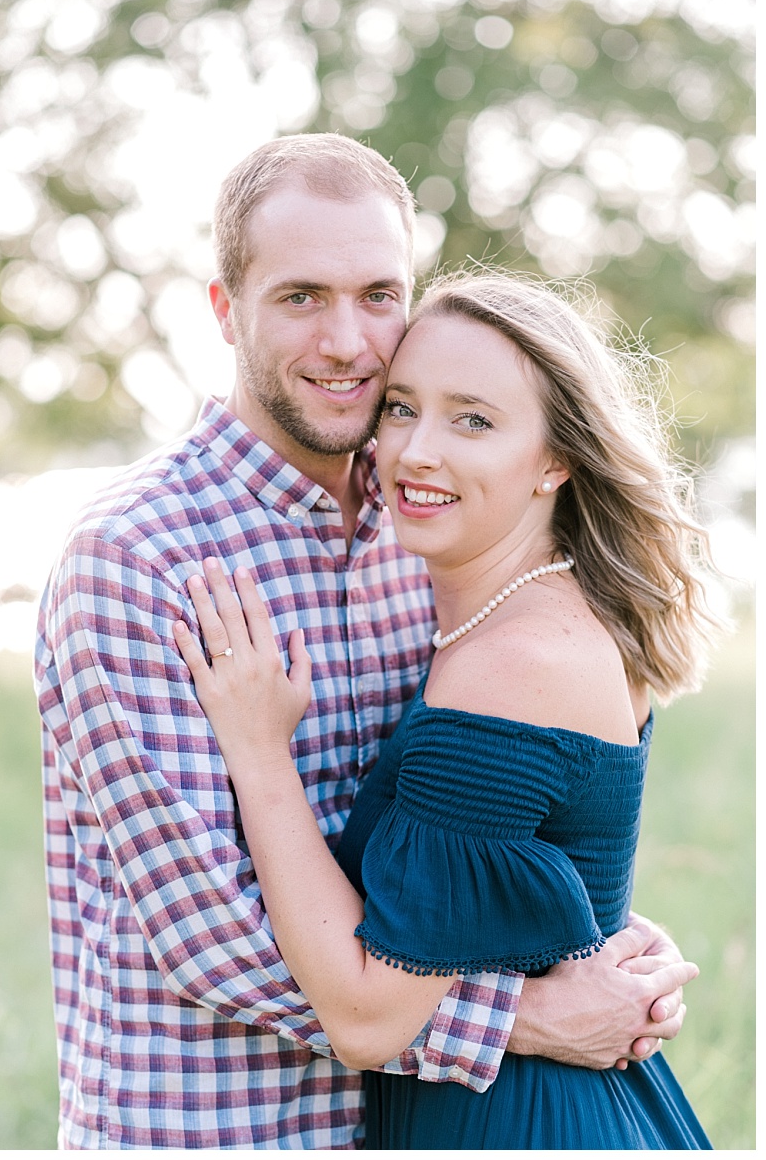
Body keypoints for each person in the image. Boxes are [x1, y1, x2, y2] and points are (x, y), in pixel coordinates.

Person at [33, 133, 696, 1148]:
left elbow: (488, 836)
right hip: (221, 1127)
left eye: (378, 295)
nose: (347, 341)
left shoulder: (426, 532)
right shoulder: (141, 560)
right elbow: (215, 936)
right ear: (225, 310)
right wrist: (528, 1017)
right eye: (301, 297)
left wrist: (594, 940)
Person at [176, 270, 717, 1147]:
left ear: (555, 458)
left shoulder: (508, 663)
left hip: (516, 1123)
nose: (417, 450)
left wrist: (259, 748)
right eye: (400, 407)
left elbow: (363, 1016)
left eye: (473, 419)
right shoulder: (543, 615)